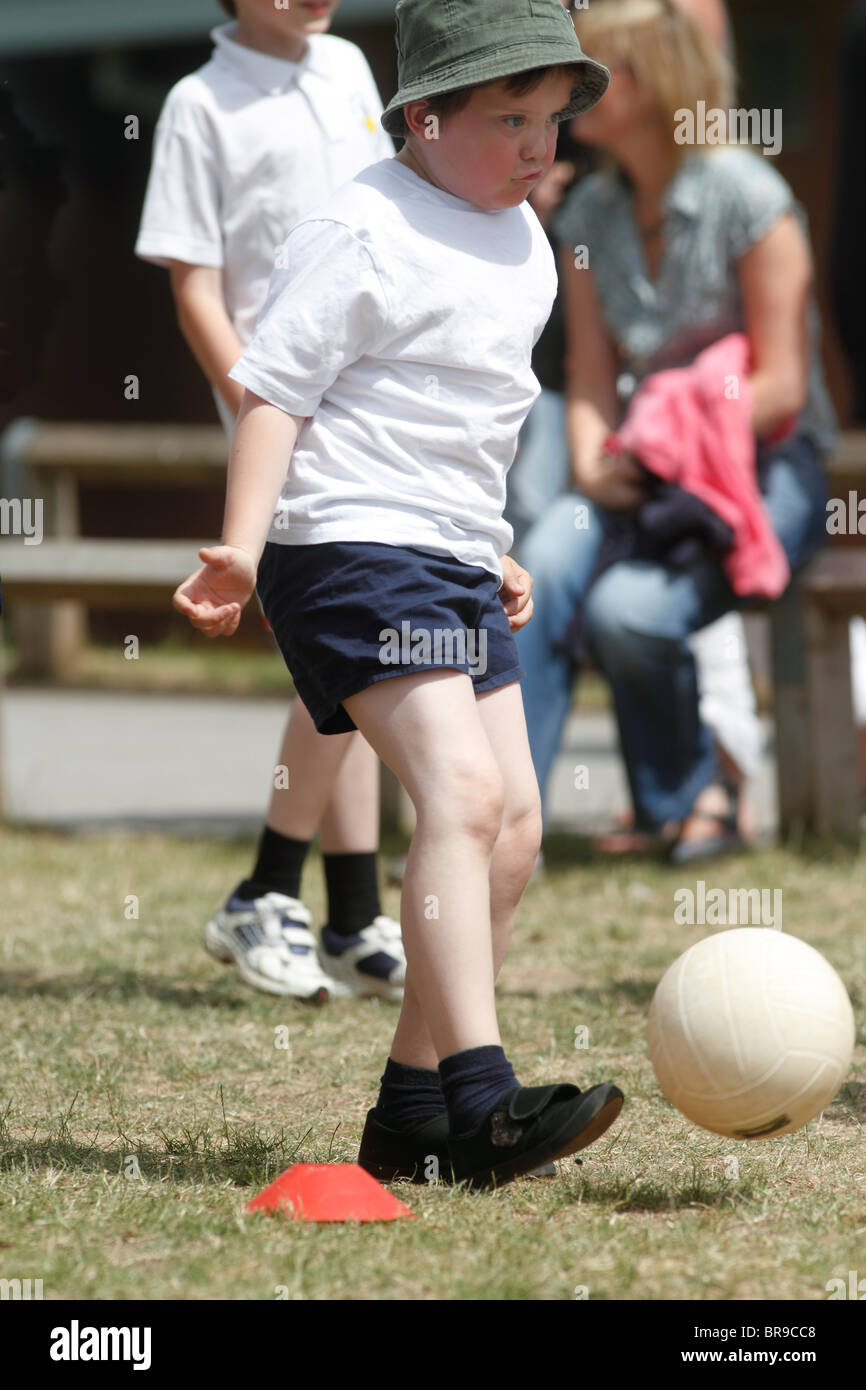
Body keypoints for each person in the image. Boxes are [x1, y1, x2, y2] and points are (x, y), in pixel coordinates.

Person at [172, 0, 624, 1189]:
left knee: (514, 831)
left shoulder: (523, 241)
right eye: (505, 117)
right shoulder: (362, 224)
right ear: (421, 118)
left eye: (551, 118)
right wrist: (237, 546)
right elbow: (273, 391)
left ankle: (408, 1120)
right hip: (346, 548)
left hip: (449, 552)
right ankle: (484, 1099)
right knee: (463, 794)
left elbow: (462, 421)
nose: (538, 146)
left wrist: (494, 542)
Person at [136, 0, 407, 1002]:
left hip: (368, 398)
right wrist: (262, 401)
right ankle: (267, 889)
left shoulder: (345, 66)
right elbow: (194, 286)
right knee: (347, 642)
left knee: (347, 641)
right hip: (282, 416)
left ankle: (345, 915)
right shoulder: (196, 104)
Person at [529, 0, 837, 856]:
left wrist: (674, 443)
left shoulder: (749, 196)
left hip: (763, 468)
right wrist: (593, 468)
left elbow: (781, 385)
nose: (570, 91)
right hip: (641, 468)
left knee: (629, 611)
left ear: (656, 82)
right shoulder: (588, 215)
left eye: (593, 74)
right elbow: (589, 377)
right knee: (545, 555)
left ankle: (692, 798)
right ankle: (500, 812)